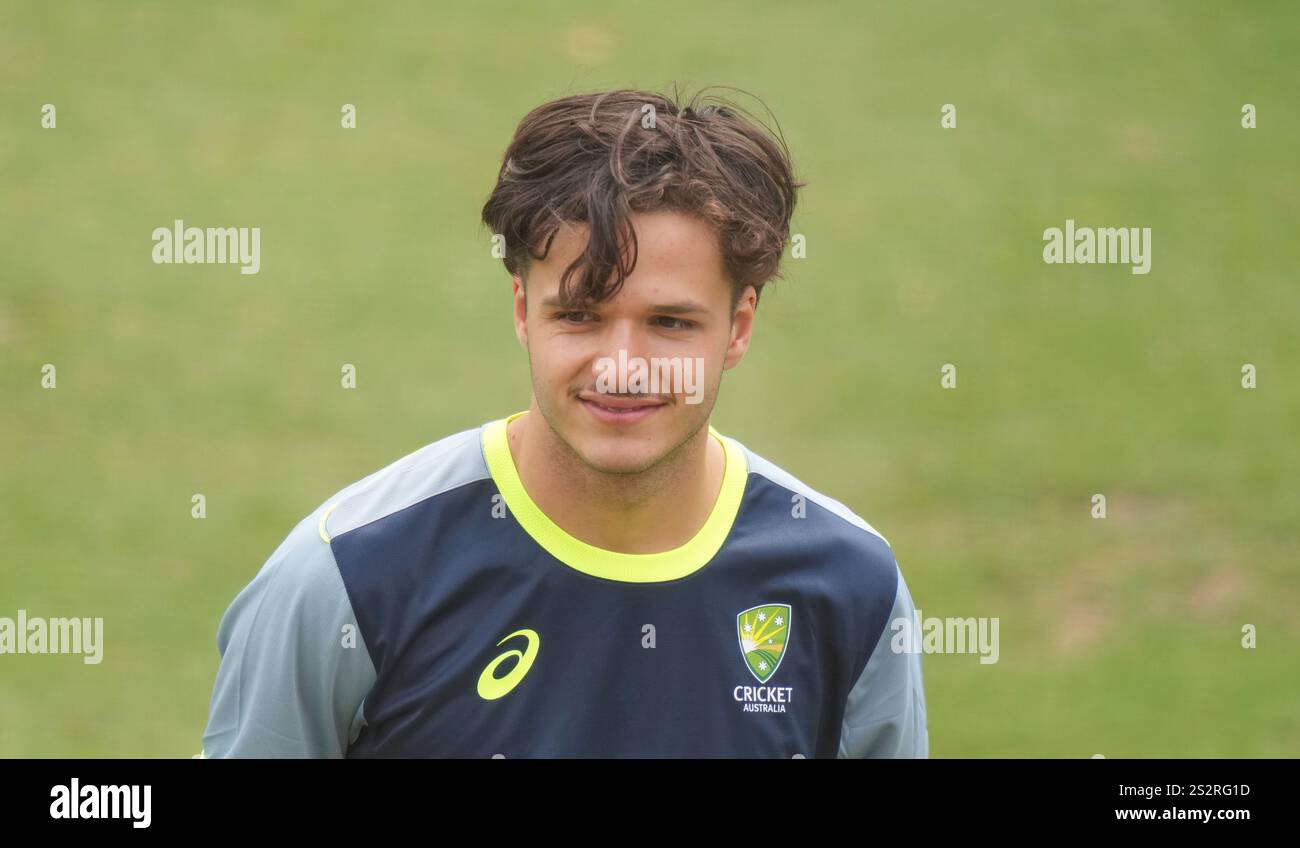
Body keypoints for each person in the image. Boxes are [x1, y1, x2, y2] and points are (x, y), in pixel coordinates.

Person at [200, 87, 927, 758]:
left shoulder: (850, 586)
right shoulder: (348, 577)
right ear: (523, 311)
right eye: (579, 315)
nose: (620, 366)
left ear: (737, 329)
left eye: (670, 322)